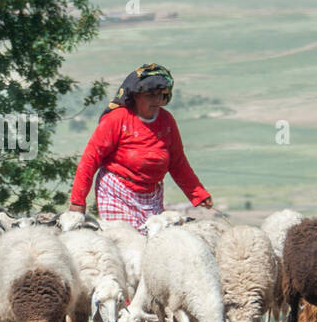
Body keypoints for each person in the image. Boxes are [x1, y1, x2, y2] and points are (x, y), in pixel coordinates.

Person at [69, 62, 213, 229]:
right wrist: (77, 202)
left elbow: (177, 162)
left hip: (152, 195)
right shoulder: (118, 119)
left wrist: (198, 194)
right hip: (116, 192)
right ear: (135, 95)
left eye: (161, 95)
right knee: (125, 241)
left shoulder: (167, 121)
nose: (157, 100)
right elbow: (91, 158)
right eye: (151, 95)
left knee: (154, 243)